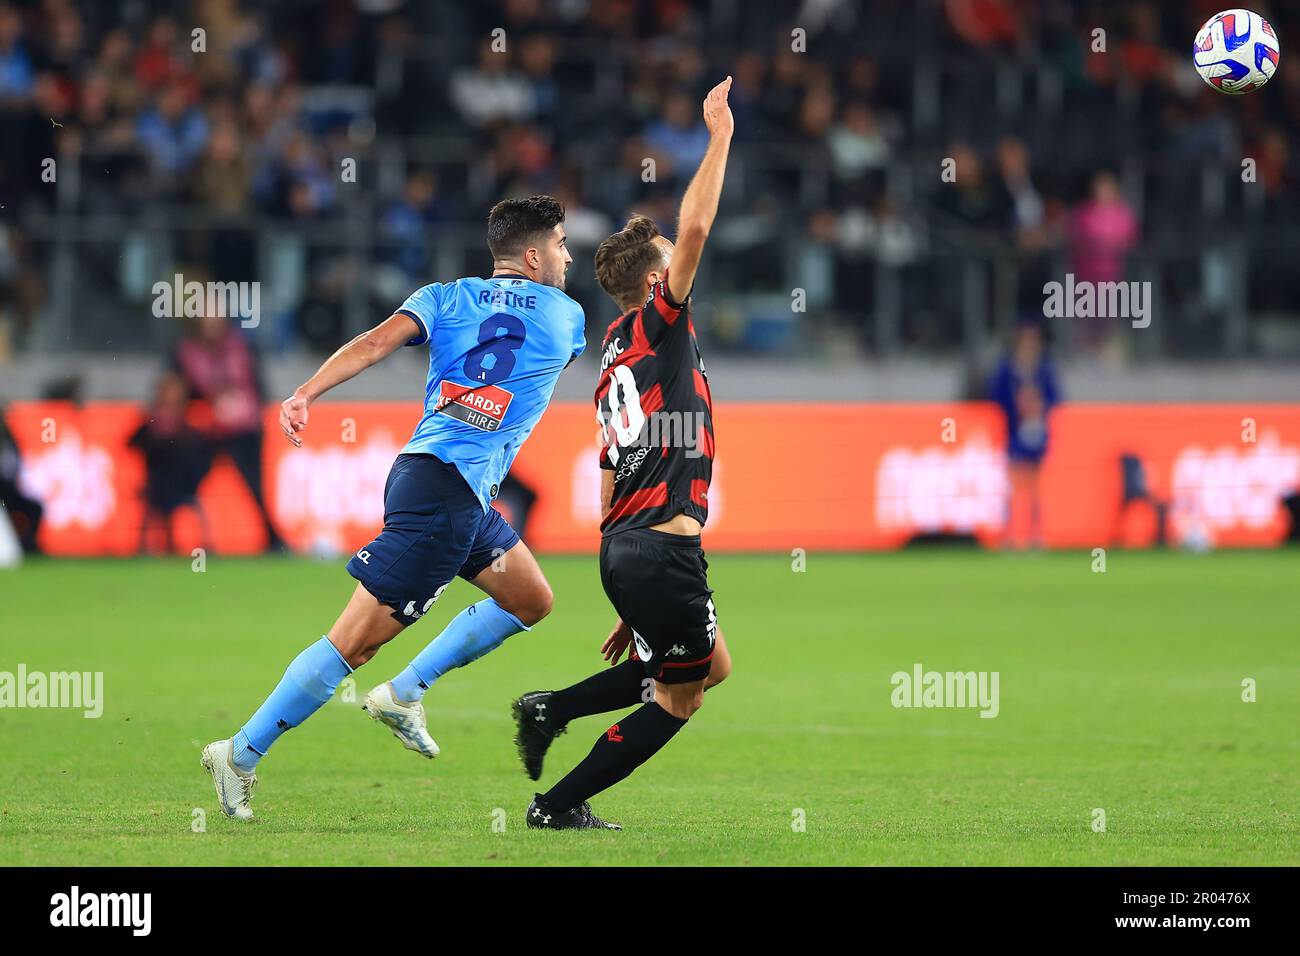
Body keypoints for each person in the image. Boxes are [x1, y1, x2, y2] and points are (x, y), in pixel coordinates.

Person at [202, 196, 586, 821]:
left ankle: (403, 693)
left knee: (531, 598)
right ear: (536, 255)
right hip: (445, 497)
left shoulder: (443, 295)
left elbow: (377, 343)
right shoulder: (568, 316)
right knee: (351, 644)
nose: (569, 258)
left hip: (433, 478)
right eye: (563, 245)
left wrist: (305, 393)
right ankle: (240, 754)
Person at [510, 78, 735, 831]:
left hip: (629, 544)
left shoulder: (614, 351)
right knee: (681, 694)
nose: (682, 270)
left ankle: (551, 709)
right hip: (661, 548)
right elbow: (696, 229)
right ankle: (557, 803)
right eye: (669, 264)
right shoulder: (657, 326)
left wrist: (621, 577)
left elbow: (609, 464)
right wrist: (720, 138)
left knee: (710, 666)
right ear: (652, 281)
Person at [172, 313, 285, 552]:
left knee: (254, 486)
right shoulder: (187, 352)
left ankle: (272, 539)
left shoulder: (241, 347)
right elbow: (179, 390)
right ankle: (175, 537)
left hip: (243, 429)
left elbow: (257, 385)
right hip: (206, 430)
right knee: (187, 482)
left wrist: (246, 409)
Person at [989, 320, 1061, 549]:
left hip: (1037, 431)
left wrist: (1039, 406)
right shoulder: (1008, 370)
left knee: (1035, 486)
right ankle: (1010, 534)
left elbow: (1056, 398)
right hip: (1014, 432)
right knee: (1012, 484)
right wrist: (1016, 407)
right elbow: (995, 397)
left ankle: (1035, 534)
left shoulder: (1044, 370)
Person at [128, 371, 211, 554]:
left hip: (184, 487)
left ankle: (200, 548)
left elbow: (202, 455)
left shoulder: (189, 425)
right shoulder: (151, 426)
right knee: (155, 510)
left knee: (192, 510)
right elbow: (133, 445)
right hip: (158, 487)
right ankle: (151, 549)